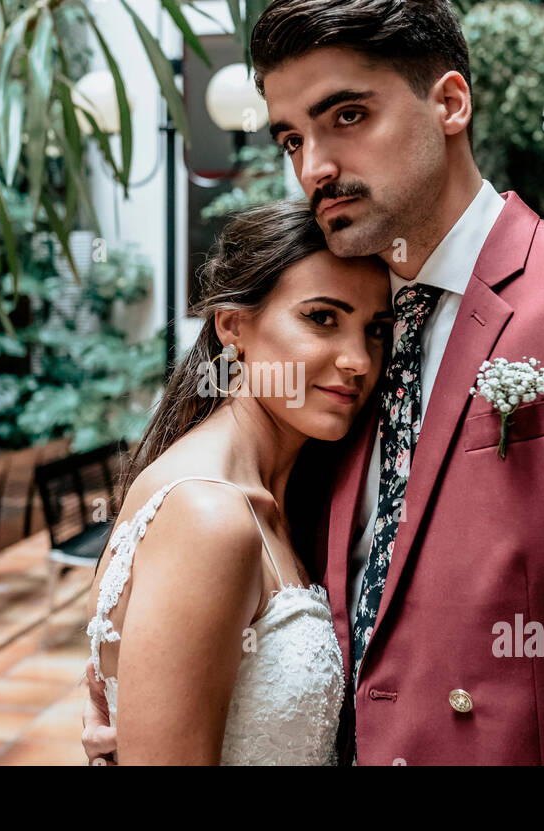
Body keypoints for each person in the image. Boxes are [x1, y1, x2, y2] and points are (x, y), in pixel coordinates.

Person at [85, 0, 544, 765]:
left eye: (346, 115)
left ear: (450, 102)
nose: (313, 165)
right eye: (291, 137)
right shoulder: (339, 357)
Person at [84, 200, 392, 764]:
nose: (357, 360)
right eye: (322, 317)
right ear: (233, 326)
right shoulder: (209, 516)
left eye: (375, 330)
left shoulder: (280, 494)